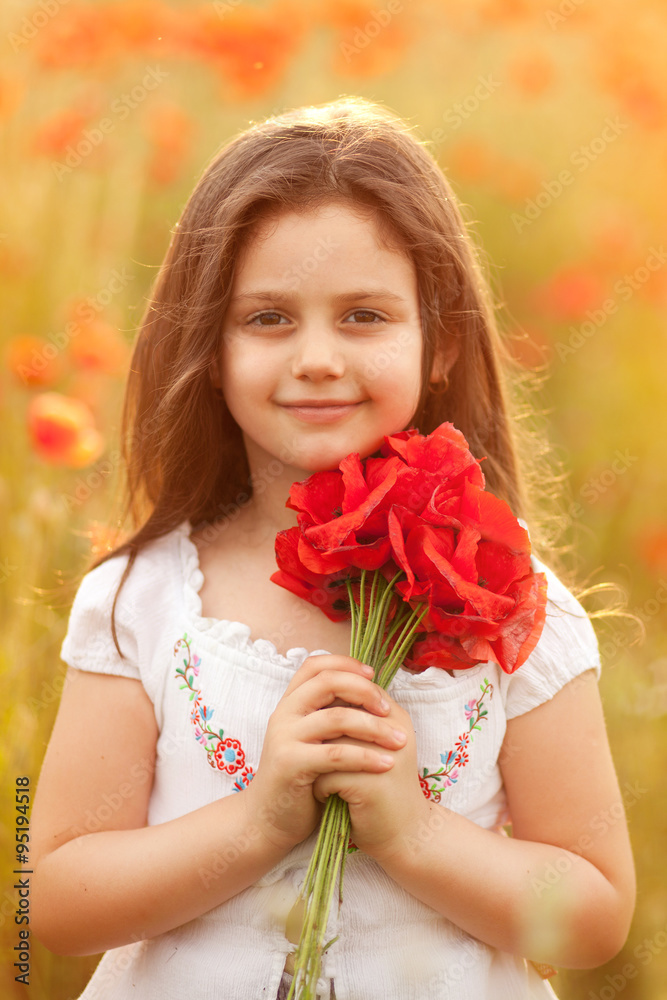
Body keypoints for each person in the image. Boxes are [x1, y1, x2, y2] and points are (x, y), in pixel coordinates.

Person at [31, 96, 635, 1000]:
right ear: (209, 346)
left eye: (364, 316)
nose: (317, 357)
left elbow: (592, 915)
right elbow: (54, 898)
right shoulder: (143, 601)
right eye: (268, 318)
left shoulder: (513, 606)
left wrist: (411, 832)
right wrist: (259, 821)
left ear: (442, 343)